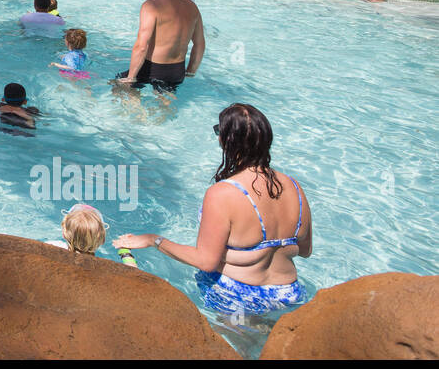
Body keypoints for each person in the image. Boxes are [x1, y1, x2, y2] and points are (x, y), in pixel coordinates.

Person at [115, 104, 311, 317]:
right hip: (288, 296)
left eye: (219, 131)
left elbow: (206, 262)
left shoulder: (222, 194)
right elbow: (305, 250)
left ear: (227, 141)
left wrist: (154, 240)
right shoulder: (293, 186)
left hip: (236, 298)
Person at [116, 0, 204, 91]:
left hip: (153, 68)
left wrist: (130, 78)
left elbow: (141, 46)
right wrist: (190, 71)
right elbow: (200, 44)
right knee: (165, 101)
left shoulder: (151, 6)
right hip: (177, 71)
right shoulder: (193, 8)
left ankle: (134, 104)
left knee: (118, 85)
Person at [45, 205, 137, 267]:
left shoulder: (51, 247)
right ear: (102, 240)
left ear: (64, 234)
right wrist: (125, 252)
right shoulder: (100, 267)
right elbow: (132, 275)